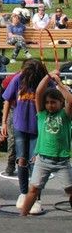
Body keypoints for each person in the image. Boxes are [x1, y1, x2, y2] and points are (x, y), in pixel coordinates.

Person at [20, 71, 72, 216]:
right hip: (43, 159)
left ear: (61, 103)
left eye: (53, 102)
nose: (50, 105)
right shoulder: (42, 114)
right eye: (48, 102)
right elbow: (38, 92)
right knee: (34, 189)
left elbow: (71, 100)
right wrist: (48, 76)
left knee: (70, 190)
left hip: (62, 160)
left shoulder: (66, 115)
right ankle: (22, 215)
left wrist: (59, 84)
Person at [1, 58, 50, 211]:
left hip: (38, 129)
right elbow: (7, 100)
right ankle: (23, 193)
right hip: (20, 126)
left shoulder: (45, 82)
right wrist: (3, 122)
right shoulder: (18, 79)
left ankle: (36, 198)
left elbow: (56, 96)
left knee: (36, 163)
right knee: (21, 160)